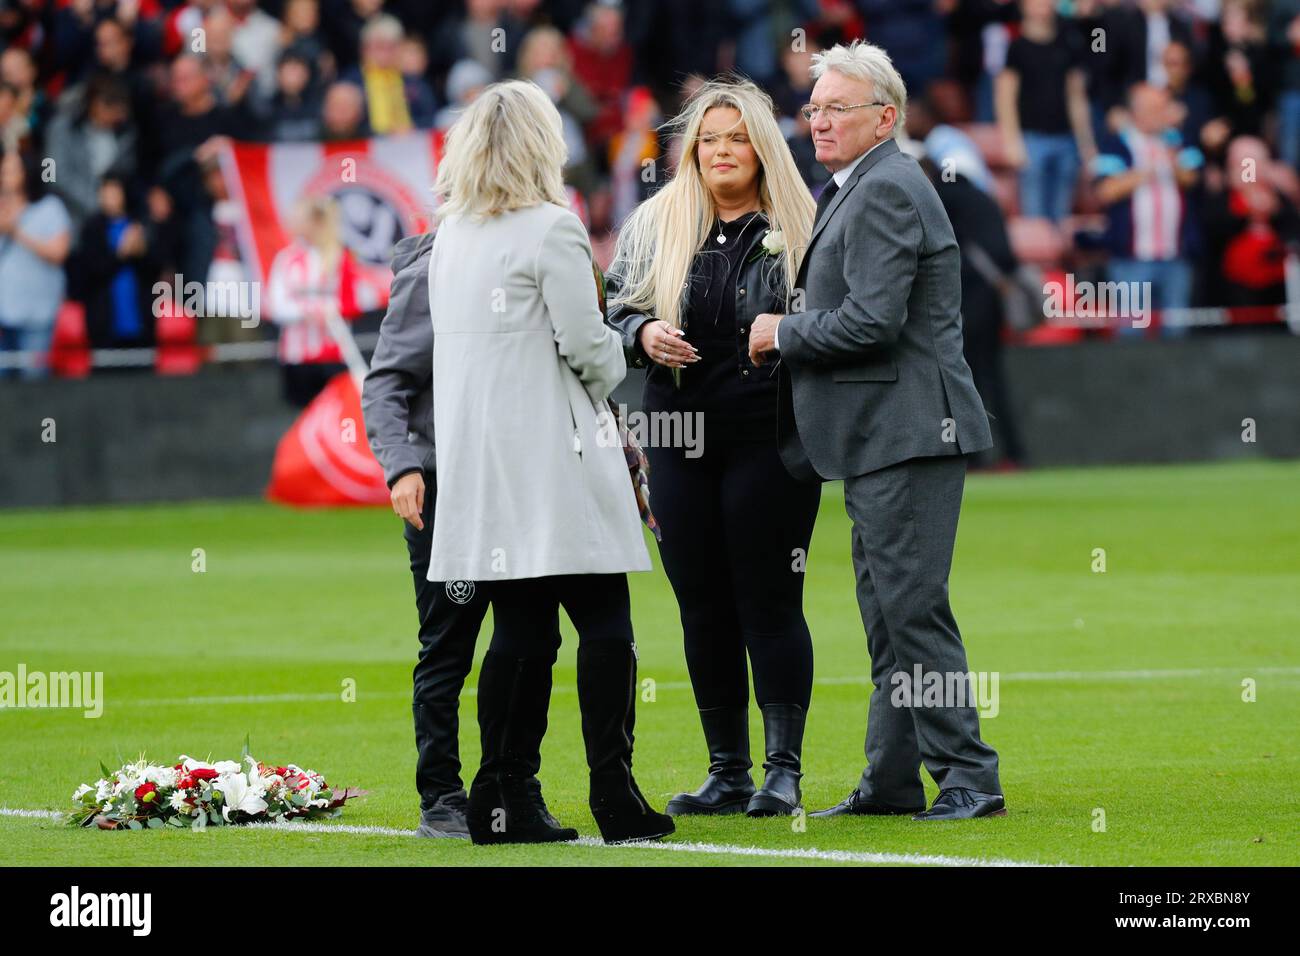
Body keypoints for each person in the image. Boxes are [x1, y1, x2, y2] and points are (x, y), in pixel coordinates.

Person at [748, 40, 1005, 822]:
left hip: (909, 432)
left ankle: (968, 775)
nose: (818, 122)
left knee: (912, 609)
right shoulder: (864, 184)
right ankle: (892, 781)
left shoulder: (886, 186)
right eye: (814, 108)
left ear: (885, 117)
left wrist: (780, 333)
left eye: (836, 109)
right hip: (884, 435)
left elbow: (873, 320)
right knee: (892, 614)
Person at [425, 79, 673, 846]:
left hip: (483, 458)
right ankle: (614, 792)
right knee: (606, 621)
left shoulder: (451, 234)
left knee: (522, 629)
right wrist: (624, 354)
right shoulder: (553, 229)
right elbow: (588, 346)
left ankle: (500, 795)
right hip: (557, 453)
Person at [604, 78, 821, 818]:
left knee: (769, 600)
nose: (722, 151)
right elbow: (608, 314)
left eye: (736, 138)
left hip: (770, 436)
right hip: (676, 436)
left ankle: (782, 769)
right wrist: (638, 334)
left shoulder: (801, 224)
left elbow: (830, 323)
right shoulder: (655, 223)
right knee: (700, 604)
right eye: (709, 139)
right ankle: (727, 769)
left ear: (762, 148)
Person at [362, 230, 563, 839]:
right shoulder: (432, 267)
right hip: (449, 489)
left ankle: (512, 786)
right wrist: (401, 465)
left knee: (534, 640)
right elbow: (387, 380)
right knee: (449, 644)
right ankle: (442, 796)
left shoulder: (540, 249)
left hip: (523, 483)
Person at [0, 149, 72, 380]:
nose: (5, 173)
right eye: (4, 167)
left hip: (36, 313)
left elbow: (58, 253)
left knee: (34, 383)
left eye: (13, 169)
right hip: (3, 312)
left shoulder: (49, 208)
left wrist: (15, 231)